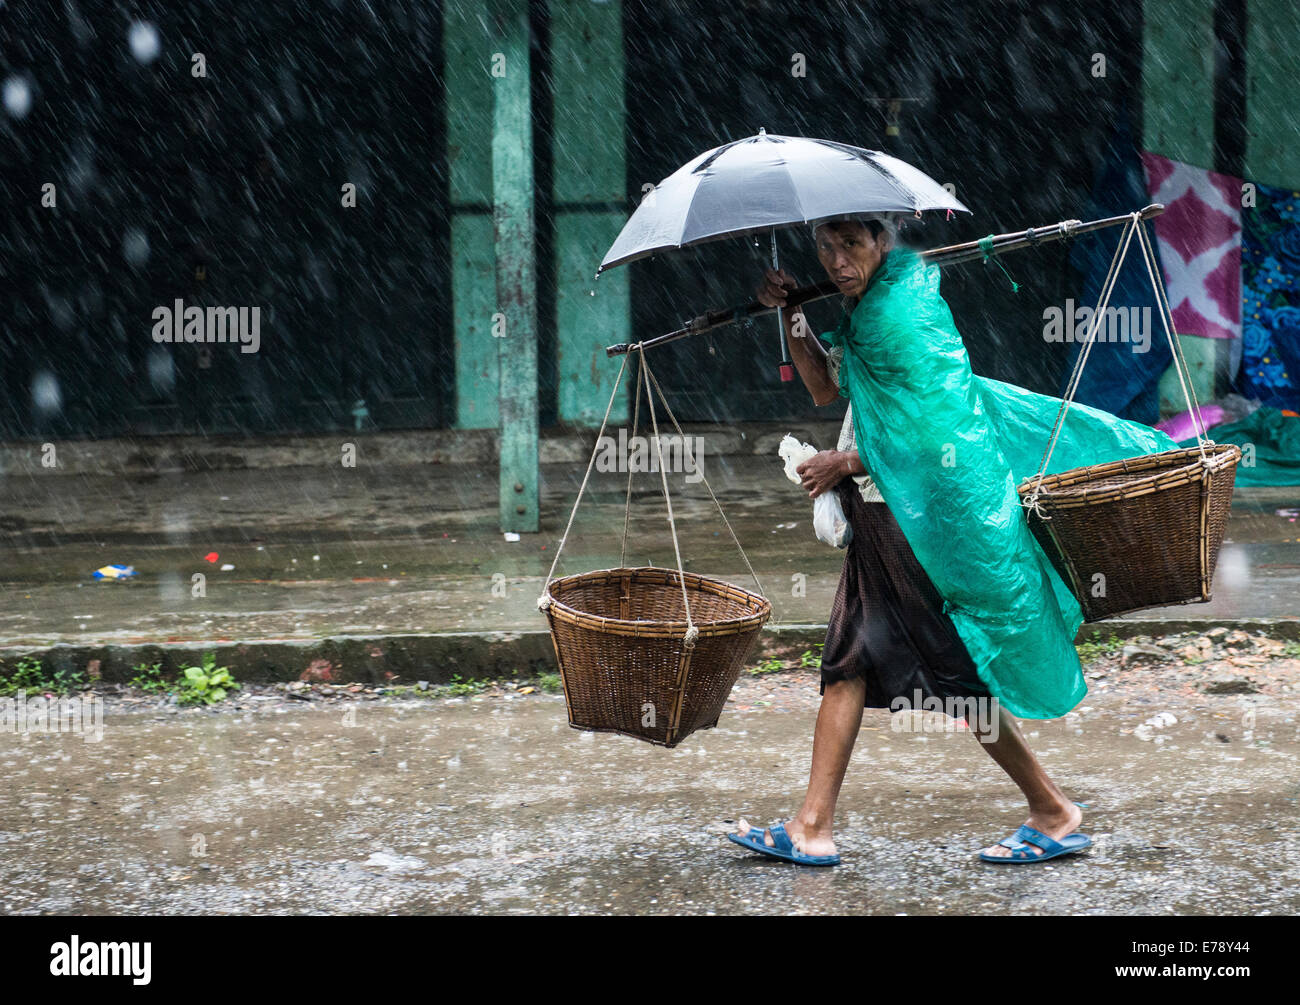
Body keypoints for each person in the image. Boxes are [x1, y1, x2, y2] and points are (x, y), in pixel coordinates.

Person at [727, 213, 1175, 865]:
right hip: (885, 521)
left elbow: (932, 437)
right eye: (825, 247)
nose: (836, 259)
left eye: (851, 244)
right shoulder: (866, 309)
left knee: (951, 674)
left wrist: (843, 463)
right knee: (850, 661)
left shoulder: (899, 317)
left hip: (917, 525)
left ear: (881, 241)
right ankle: (813, 824)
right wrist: (792, 310)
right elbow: (827, 385)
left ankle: (1050, 808)